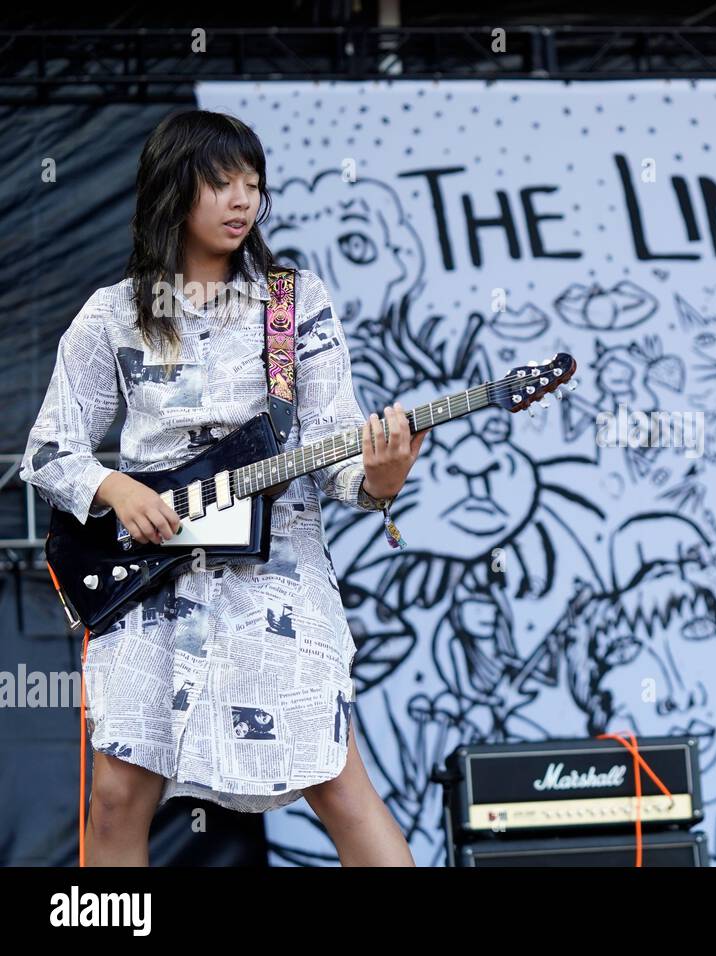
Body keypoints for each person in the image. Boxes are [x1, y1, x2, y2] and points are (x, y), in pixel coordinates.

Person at [20, 110, 425, 865]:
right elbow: (47, 450)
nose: (243, 201)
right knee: (115, 799)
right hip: (154, 584)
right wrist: (114, 487)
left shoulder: (293, 302)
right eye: (221, 182)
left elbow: (340, 461)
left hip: (279, 583)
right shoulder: (111, 315)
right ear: (174, 190)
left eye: (253, 185)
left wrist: (382, 476)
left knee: (336, 779)